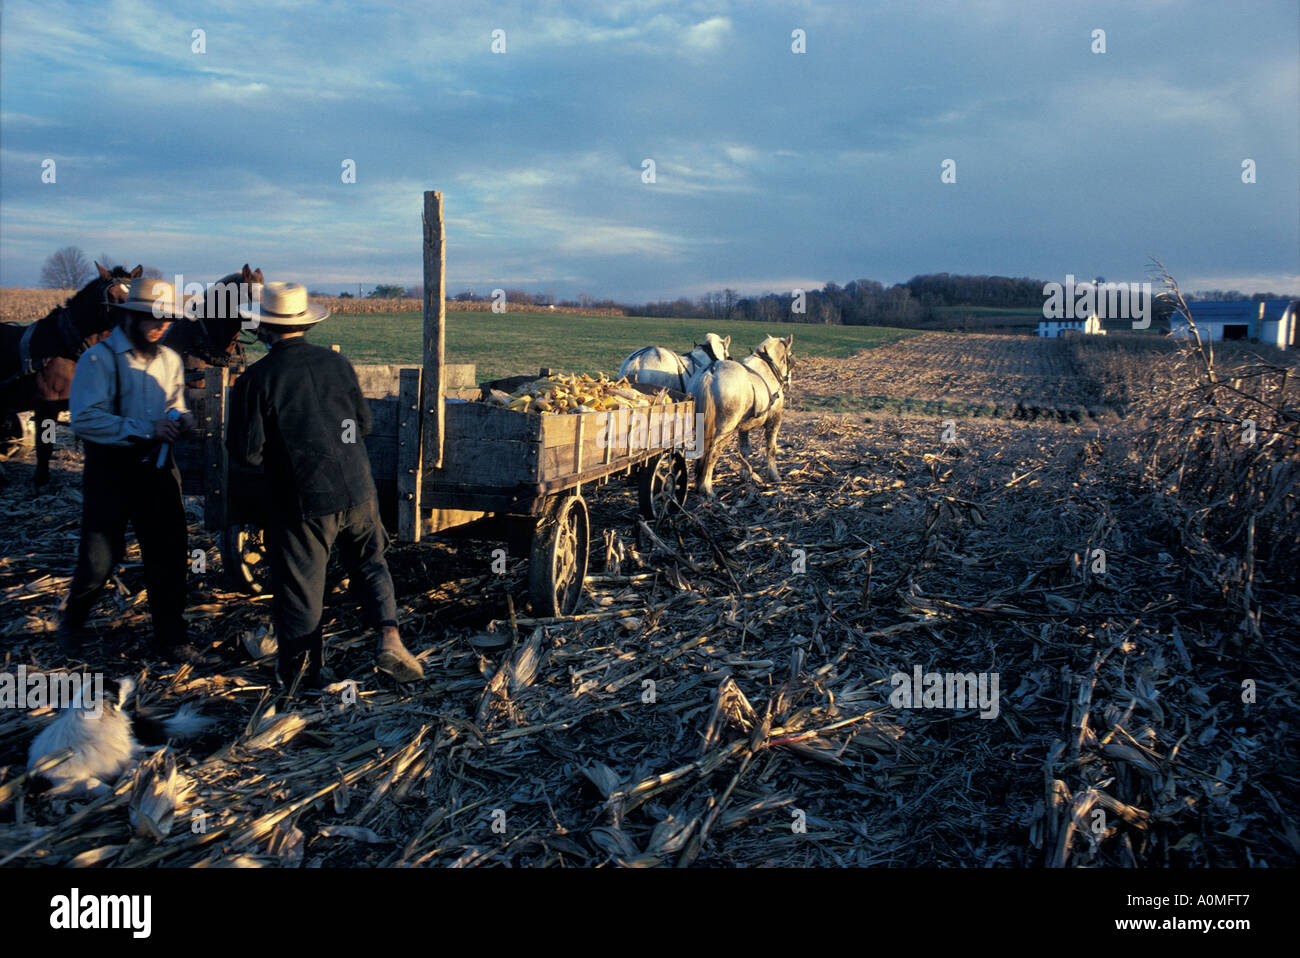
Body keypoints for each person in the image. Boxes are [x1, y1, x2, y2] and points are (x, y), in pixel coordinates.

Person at [226, 282, 424, 688]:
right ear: (305, 325)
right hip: (358, 487)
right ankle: (389, 635)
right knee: (370, 563)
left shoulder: (256, 379)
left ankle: (303, 678)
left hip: (304, 500)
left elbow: (245, 453)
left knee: (300, 588)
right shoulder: (337, 364)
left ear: (262, 327)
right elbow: (363, 425)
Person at [58, 277, 207, 663]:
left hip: (158, 470)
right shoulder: (98, 360)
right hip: (111, 471)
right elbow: (84, 420)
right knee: (99, 560)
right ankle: (72, 624)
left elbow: (175, 404)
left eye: (167, 320)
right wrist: (143, 428)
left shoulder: (170, 360)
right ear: (129, 317)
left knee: (170, 555)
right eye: (152, 319)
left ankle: (172, 638)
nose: (161, 327)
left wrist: (182, 419)